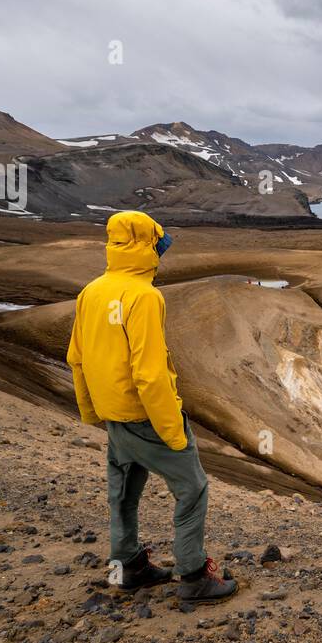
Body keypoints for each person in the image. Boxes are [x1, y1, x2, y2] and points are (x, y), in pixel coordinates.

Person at [66, 211, 237, 604]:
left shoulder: (91, 292)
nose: (162, 252)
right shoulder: (144, 297)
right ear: (147, 246)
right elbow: (150, 374)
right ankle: (194, 575)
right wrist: (172, 431)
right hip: (145, 415)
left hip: (114, 415)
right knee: (192, 488)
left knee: (123, 492)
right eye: (159, 245)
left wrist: (92, 412)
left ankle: (127, 566)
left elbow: (76, 357)